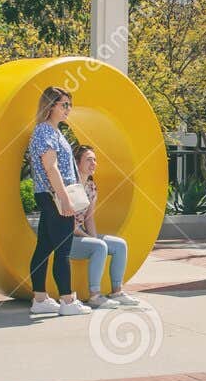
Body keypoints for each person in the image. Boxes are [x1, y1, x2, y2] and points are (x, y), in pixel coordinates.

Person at [27, 86, 89, 316]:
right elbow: (51, 168)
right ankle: (67, 300)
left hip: (49, 195)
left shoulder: (53, 131)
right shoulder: (45, 132)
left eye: (69, 105)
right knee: (63, 250)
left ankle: (40, 299)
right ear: (51, 105)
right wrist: (65, 199)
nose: (68, 109)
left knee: (44, 247)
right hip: (55, 196)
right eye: (64, 104)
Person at [68, 145, 142, 309]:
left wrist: (93, 238)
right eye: (89, 159)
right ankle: (94, 296)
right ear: (77, 162)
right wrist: (92, 240)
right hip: (66, 238)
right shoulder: (70, 186)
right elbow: (70, 224)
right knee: (99, 246)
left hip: (81, 234)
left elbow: (89, 218)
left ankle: (117, 291)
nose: (93, 163)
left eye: (95, 160)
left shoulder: (91, 187)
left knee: (120, 245)